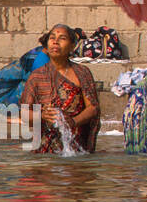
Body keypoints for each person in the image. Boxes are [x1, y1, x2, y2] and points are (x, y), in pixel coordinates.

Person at [20, 24, 101, 154]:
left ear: (72, 46)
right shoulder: (36, 77)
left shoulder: (82, 72)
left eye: (62, 38)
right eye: (52, 38)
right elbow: (24, 114)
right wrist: (41, 115)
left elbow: (93, 108)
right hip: (45, 150)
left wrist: (73, 122)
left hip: (76, 148)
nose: (55, 41)